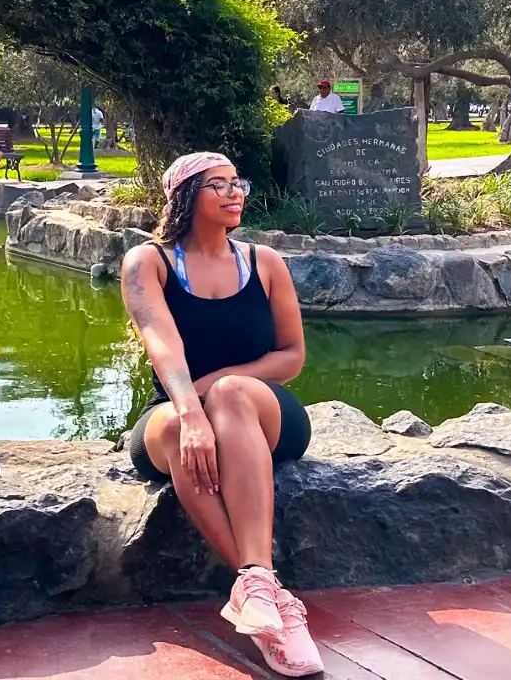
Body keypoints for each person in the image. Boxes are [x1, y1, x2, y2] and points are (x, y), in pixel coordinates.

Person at [120, 152, 321, 677]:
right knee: (178, 431)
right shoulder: (148, 262)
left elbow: (291, 357)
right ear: (185, 196)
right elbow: (163, 346)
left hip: (261, 410)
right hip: (174, 409)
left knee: (232, 391)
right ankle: (264, 592)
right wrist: (191, 413)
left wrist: (210, 389)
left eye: (237, 183)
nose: (235, 194)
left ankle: (257, 584)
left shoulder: (265, 262)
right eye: (219, 185)